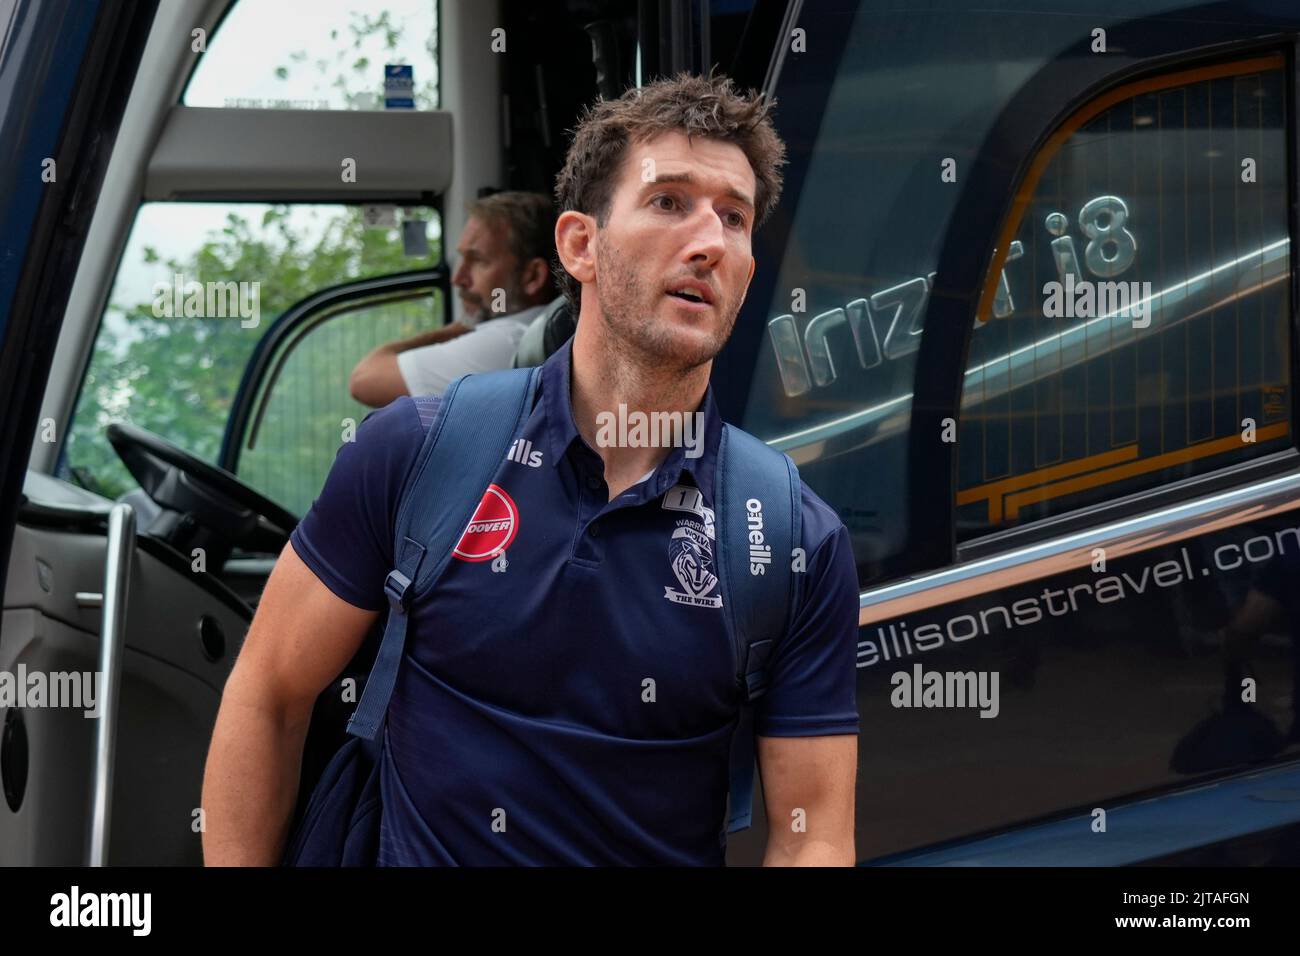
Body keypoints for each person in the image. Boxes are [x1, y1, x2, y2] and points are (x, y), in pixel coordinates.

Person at [202, 70, 860, 866]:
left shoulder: (791, 536)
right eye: (668, 202)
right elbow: (269, 694)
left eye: (734, 217)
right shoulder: (417, 453)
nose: (710, 241)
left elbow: (813, 835)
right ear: (581, 245)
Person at [348, 191, 558, 406]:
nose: (458, 278)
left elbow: (364, 380)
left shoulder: (510, 339)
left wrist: (449, 332)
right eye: (462, 258)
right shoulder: (545, 333)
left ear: (532, 276)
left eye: (478, 260)